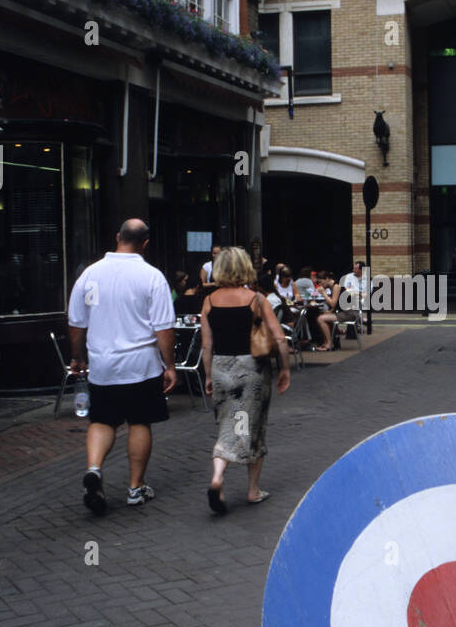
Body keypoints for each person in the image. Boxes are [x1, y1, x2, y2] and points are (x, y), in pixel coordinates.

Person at [67, 219, 176, 513]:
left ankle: (94, 468)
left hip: (103, 364)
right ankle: (135, 488)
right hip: (140, 365)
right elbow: (163, 328)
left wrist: (78, 357)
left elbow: (77, 323)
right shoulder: (151, 277)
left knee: (102, 421)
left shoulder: (89, 276)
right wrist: (170, 365)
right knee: (139, 422)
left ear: (117, 237)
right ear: (145, 243)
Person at [200, 247, 290, 514]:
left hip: (220, 368)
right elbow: (280, 338)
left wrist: (207, 375)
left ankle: (218, 476)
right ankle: (252, 490)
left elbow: (207, 344)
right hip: (251, 371)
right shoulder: (256, 299)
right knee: (253, 426)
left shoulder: (209, 301)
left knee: (229, 424)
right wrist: (284, 368)